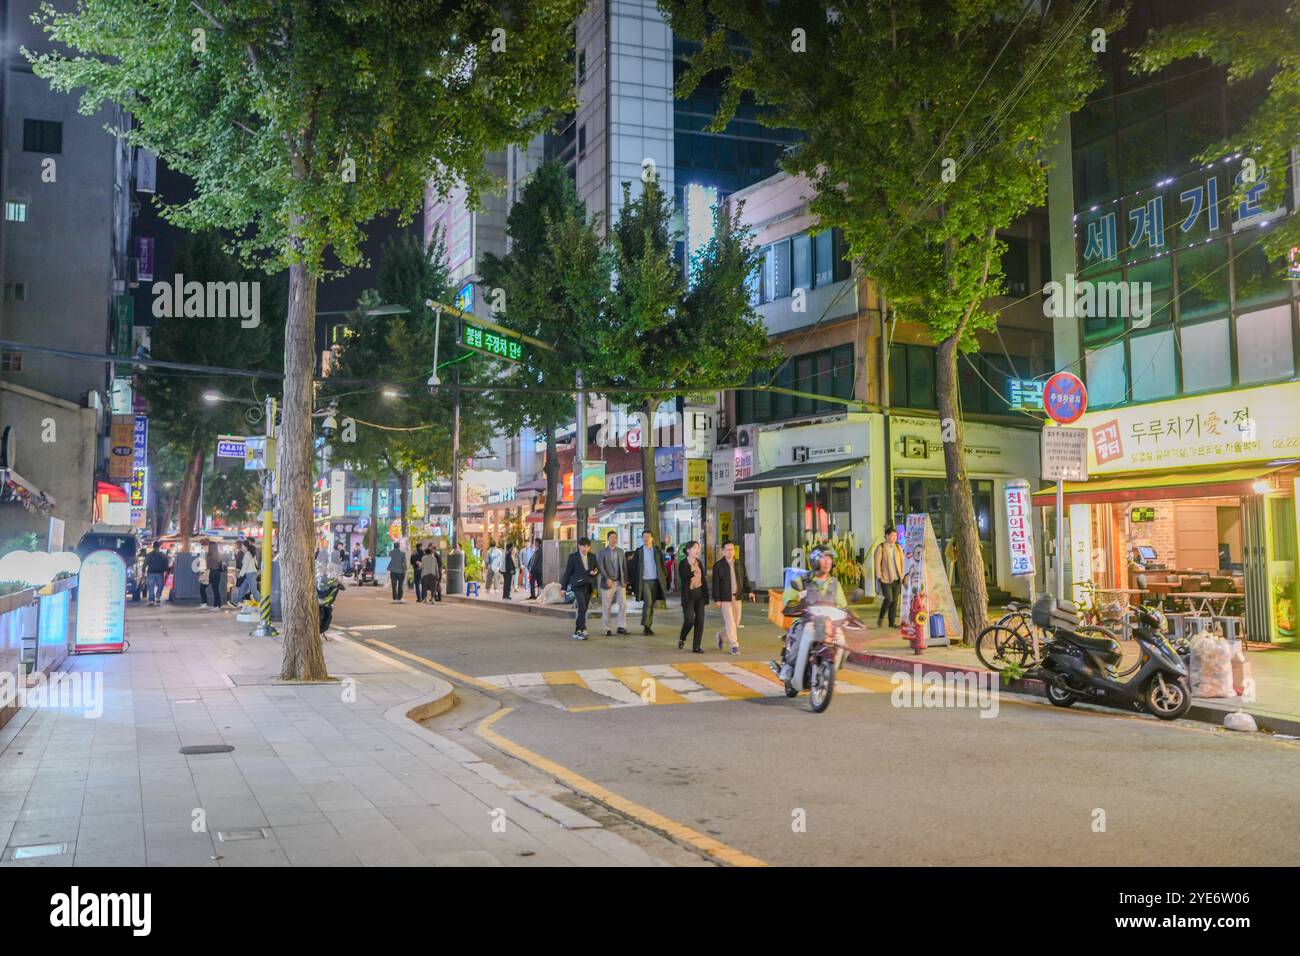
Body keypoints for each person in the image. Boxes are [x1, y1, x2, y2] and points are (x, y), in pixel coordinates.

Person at [777, 547, 848, 680]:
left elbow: (842, 605)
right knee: (799, 638)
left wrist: (846, 614)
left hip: (827, 622)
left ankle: (830, 670)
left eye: (830, 559)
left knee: (842, 641)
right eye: (823, 558)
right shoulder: (803, 580)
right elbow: (788, 597)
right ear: (815, 561)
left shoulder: (835, 583)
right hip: (806, 620)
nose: (827, 562)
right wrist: (795, 605)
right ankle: (788, 667)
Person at [711, 539, 756, 655]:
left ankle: (721, 636)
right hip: (725, 598)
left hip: (738, 597)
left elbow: (745, 579)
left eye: (732, 549)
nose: (730, 552)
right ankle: (734, 645)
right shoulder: (718, 566)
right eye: (728, 549)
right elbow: (715, 584)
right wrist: (717, 599)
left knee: (735, 623)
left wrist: (750, 591)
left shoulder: (739, 564)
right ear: (723, 551)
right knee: (730, 622)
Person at [626, 530, 666, 635]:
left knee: (651, 604)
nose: (646, 538)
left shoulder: (657, 551)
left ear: (652, 538)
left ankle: (649, 624)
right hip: (644, 581)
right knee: (647, 603)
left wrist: (664, 579)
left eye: (648, 536)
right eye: (644, 537)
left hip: (655, 581)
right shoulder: (638, 552)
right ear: (642, 539)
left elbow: (662, 566)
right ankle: (646, 626)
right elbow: (632, 567)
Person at [560, 537, 599, 640]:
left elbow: (596, 569)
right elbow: (567, 573)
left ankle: (579, 629)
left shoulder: (592, 557)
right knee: (581, 606)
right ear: (579, 546)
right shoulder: (573, 557)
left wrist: (595, 573)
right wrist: (563, 588)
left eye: (587, 546)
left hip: (588, 585)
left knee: (584, 608)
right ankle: (580, 630)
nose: (584, 549)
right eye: (582, 546)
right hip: (577, 586)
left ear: (589, 547)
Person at [677, 540, 710, 652]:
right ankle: (682, 636)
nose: (697, 550)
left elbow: (703, 580)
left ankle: (696, 646)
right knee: (689, 620)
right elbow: (683, 575)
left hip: (700, 594)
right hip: (688, 595)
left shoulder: (699, 562)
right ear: (688, 550)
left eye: (698, 548)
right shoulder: (683, 563)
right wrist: (692, 573)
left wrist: (706, 595)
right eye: (695, 548)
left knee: (700, 620)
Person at [596, 531, 629, 636]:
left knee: (623, 604)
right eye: (611, 538)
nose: (613, 540)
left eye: (615, 537)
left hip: (620, 582)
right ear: (608, 539)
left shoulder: (620, 551)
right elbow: (600, 567)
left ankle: (621, 626)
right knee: (606, 606)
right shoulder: (602, 552)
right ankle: (607, 628)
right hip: (608, 582)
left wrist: (626, 581)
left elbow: (624, 567)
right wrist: (607, 578)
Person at [874, 526, 905, 628]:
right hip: (885, 578)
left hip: (897, 578)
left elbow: (902, 562)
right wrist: (879, 576)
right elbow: (877, 563)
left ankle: (891, 623)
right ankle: (881, 616)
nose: (895, 537)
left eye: (896, 536)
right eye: (892, 535)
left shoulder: (898, 547)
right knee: (889, 599)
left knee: (895, 601)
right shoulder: (881, 547)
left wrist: (904, 576)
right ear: (887, 536)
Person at [230, 541, 260, 606]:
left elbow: (245, 566)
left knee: (253, 591)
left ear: (245, 547)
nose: (242, 547)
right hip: (249, 574)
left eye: (243, 546)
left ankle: (263, 604)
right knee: (242, 589)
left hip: (250, 574)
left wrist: (240, 574)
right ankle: (235, 602)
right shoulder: (248, 553)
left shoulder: (247, 554)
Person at [207, 540, 225, 609]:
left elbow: (208, 566)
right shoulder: (218, 554)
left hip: (213, 572)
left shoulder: (210, 555)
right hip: (217, 573)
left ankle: (216, 605)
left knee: (215, 590)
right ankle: (218, 604)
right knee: (216, 589)